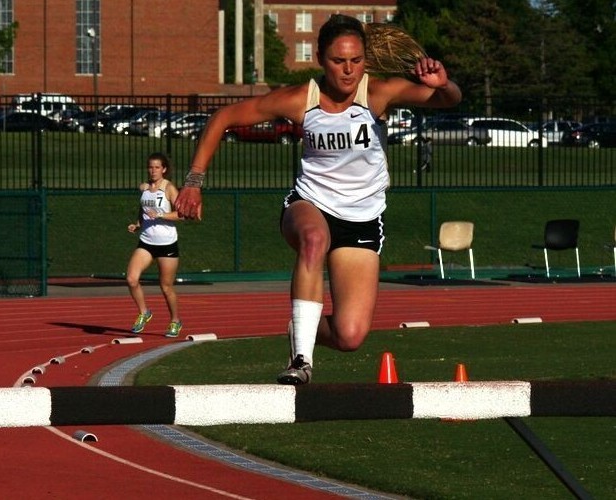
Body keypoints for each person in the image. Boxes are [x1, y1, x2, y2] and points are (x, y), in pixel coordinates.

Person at [175, 14, 461, 384]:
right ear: (320, 59)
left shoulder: (378, 93)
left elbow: (447, 99)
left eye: (356, 61)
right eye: (338, 61)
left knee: (350, 335)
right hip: (310, 205)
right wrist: (193, 182)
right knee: (314, 239)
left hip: (361, 220)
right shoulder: (301, 99)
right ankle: (300, 361)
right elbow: (225, 117)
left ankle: (301, 326)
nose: (348, 71)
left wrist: (444, 82)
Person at [126, 152, 184, 338]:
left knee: (166, 286)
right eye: (150, 167)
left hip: (166, 243)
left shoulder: (169, 188)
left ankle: (175, 321)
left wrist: (159, 215)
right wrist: (137, 224)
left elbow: (181, 215)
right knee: (131, 279)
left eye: (157, 167)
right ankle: (144, 312)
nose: (153, 170)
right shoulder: (144, 188)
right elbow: (143, 210)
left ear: (164, 169)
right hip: (146, 241)